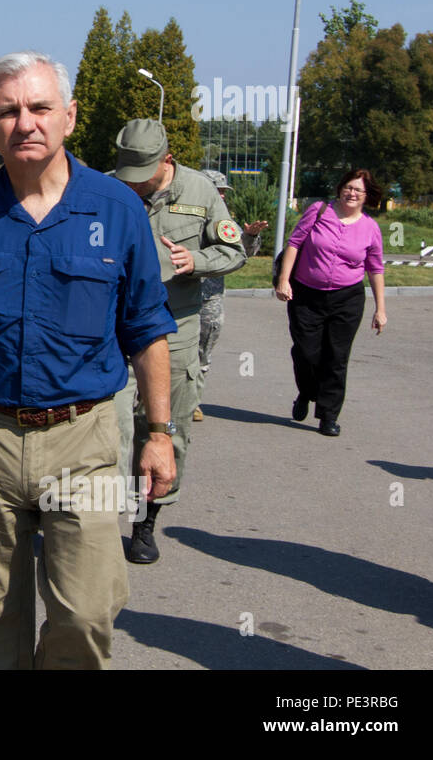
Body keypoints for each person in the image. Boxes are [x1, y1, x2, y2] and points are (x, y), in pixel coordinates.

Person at [0, 51, 177, 669]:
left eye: (40, 107)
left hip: (88, 442)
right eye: (8, 111)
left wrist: (159, 433)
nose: (26, 123)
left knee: (86, 611)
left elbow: (149, 328)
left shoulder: (116, 209)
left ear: (69, 117)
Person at [111, 120, 246, 564]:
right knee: (110, 429)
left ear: (166, 160)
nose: (133, 182)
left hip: (176, 330)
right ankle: (92, 527)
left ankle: (146, 523)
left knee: (167, 431)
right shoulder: (108, 189)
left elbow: (235, 251)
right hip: (116, 331)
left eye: (143, 172)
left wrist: (197, 260)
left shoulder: (200, 191)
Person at [275, 169, 388, 436]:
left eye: (358, 190)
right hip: (305, 295)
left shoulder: (370, 227)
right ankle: (306, 392)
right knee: (306, 352)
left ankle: (328, 415)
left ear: (366, 196)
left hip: (346, 299)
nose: (352, 193)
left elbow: (375, 268)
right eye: (348, 187)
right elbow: (294, 243)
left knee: (336, 357)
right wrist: (284, 279)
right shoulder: (318, 210)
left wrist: (380, 309)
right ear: (340, 189)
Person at [193, 170, 267, 420]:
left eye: (224, 191)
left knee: (203, 352)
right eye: (217, 190)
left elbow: (241, 253)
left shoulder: (225, 222)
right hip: (177, 295)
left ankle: (192, 402)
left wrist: (250, 236)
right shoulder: (186, 216)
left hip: (209, 298)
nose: (222, 195)